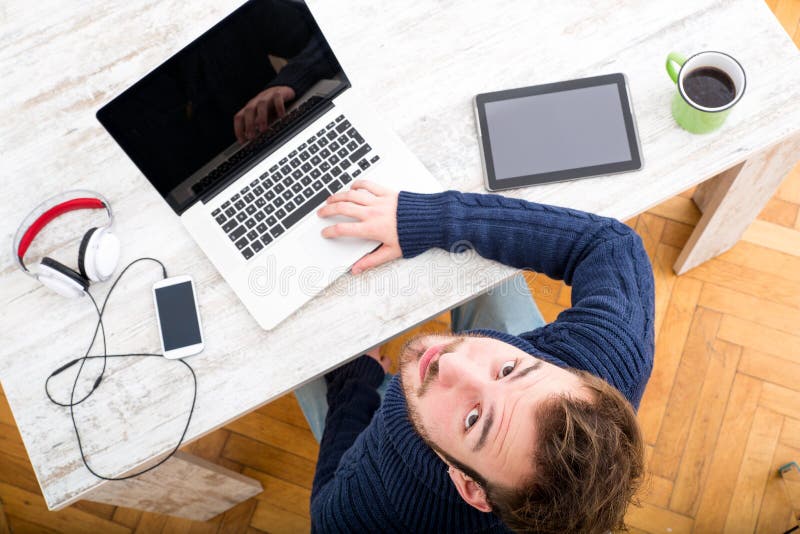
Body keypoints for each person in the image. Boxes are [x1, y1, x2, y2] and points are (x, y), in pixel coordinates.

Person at [297, 180, 654, 533]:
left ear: (470, 487)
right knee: (475, 248)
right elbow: (610, 245)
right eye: (512, 369)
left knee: (301, 347)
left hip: (382, 434)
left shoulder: (391, 502)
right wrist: (425, 218)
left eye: (473, 419)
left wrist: (353, 382)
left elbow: (324, 516)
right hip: (509, 357)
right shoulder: (608, 358)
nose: (450, 361)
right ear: (574, 372)